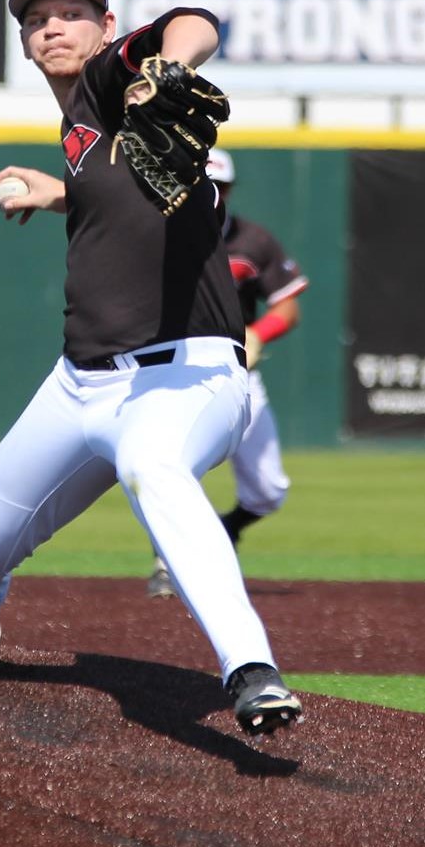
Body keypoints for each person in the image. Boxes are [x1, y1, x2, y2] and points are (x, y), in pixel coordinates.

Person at [0, 0, 302, 737]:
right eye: (36, 19)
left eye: (71, 13)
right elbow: (111, 192)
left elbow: (194, 20)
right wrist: (56, 188)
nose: (52, 26)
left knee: (151, 467)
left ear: (105, 27)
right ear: (24, 45)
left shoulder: (113, 80)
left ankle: (251, 668)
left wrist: (169, 63)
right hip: (80, 386)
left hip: (183, 376)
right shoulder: (83, 130)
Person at [146, 148, 306, 598]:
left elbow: (287, 305)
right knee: (173, 471)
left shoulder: (252, 241)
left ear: (230, 189)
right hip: (176, 372)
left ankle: (226, 528)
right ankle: (166, 562)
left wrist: (259, 332)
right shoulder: (157, 233)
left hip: (238, 373)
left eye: (220, 186)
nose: (212, 193)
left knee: (269, 490)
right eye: (204, 184)